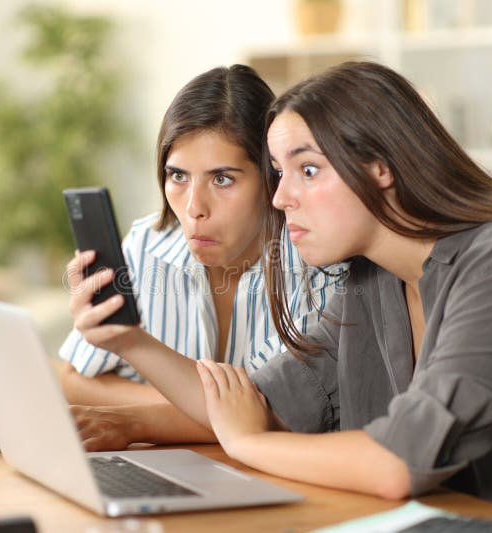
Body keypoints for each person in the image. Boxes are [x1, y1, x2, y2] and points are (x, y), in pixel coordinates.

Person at [71, 61, 492, 530]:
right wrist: (129, 340)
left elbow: (400, 459)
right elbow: (256, 404)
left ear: (380, 168)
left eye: (308, 170)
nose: (281, 198)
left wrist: (248, 445)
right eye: (281, 173)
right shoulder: (371, 280)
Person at [60, 64, 346, 451]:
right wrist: (200, 412)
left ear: (271, 178)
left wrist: (136, 420)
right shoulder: (148, 244)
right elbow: (75, 379)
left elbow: (279, 417)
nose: (194, 208)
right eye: (178, 177)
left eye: (222, 179)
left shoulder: (320, 267)